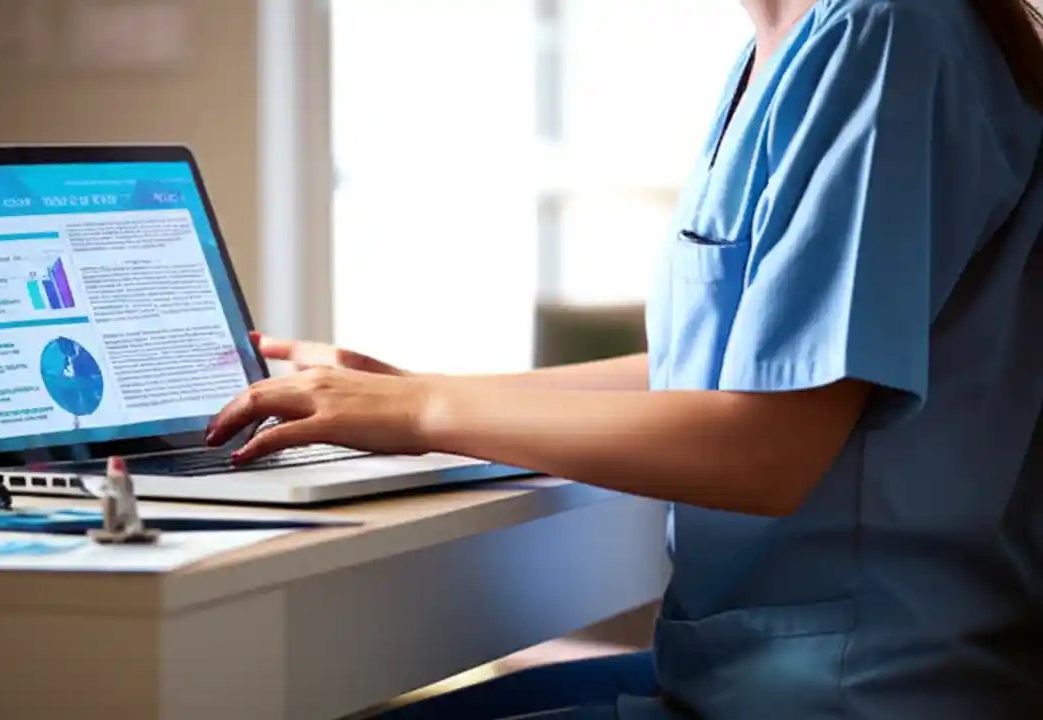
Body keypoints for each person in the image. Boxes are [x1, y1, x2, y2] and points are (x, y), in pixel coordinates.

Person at [207, 0, 1043, 716]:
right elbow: (711, 366)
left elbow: (768, 450)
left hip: (853, 686)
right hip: (751, 669)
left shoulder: (882, 33)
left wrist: (427, 414)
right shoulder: (785, 47)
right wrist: (412, 391)